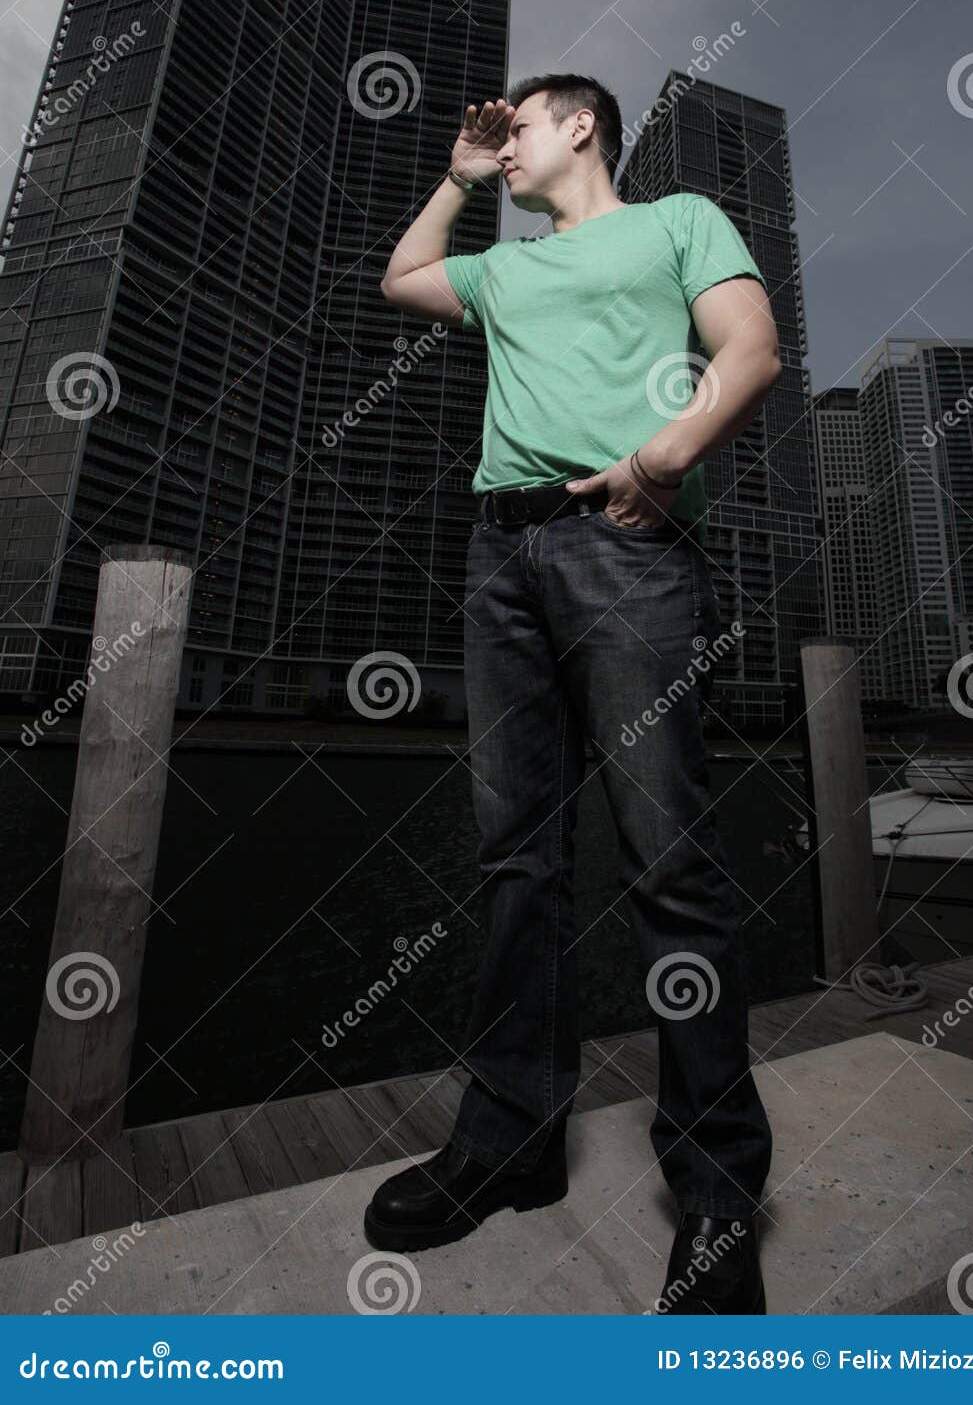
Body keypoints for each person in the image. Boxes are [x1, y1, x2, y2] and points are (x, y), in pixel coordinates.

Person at [367, 75, 780, 1314]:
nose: (510, 142)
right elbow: (401, 279)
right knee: (515, 862)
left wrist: (662, 457)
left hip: (624, 545)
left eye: (522, 124)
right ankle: (510, 1144)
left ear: (582, 124)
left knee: (667, 861)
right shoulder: (504, 271)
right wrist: (456, 170)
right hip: (502, 558)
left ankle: (713, 1197)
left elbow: (748, 349)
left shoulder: (676, 220)